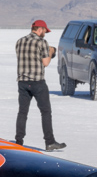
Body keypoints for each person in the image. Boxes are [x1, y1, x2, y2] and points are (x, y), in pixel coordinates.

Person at [15, 19, 66, 151]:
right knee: (46, 112)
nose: (45, 33)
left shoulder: (19, 41)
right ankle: (49, 142)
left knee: (22, 112)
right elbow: (45, 63)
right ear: (39, 29)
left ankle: (18, 141)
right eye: (45, 31)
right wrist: (51, 52)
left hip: (22, 82)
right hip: (37, 82)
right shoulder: (41, 42)